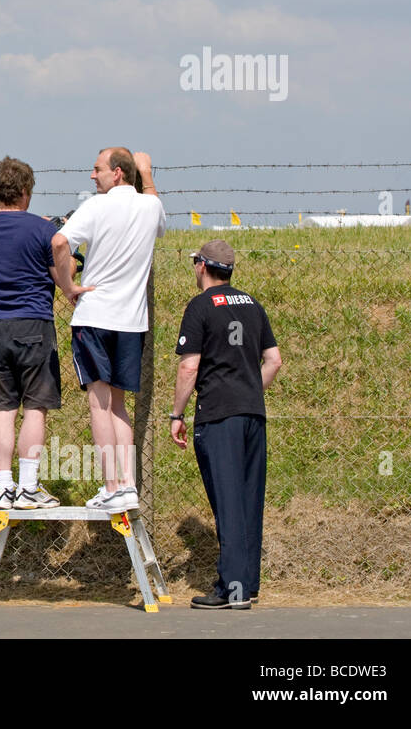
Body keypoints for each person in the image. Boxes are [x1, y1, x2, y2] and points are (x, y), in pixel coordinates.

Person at [170, 239, 282, 609]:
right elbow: (274, 360)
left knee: (228, 501)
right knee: (249, 499)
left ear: (202, 266)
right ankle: (247, 584)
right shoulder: (252, 304)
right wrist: (251, 389)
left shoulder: (200, 306)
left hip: (218, 415)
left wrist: (177, 413)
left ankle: (231, 591)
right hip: (253, 413)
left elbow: (189, 366)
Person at [52, 148, 163, 512]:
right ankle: (127, 484)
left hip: (95, 318)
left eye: (97, 169)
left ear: (117, 173)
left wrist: (68, 287)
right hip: (132, 322)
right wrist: (147, 173)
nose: (92, 176)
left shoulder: (96, 207)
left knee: (98, 405)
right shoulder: (150, 208)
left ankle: (111, 485)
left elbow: (59, 242)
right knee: (119, 406)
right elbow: (154, 204)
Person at [0, 157, 65, 510]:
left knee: (4, 408)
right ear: (25, 192)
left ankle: (3, 487)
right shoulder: (42, 231)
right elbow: (60, 271)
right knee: (35, 408)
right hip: (35, 324)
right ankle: (28, 486)